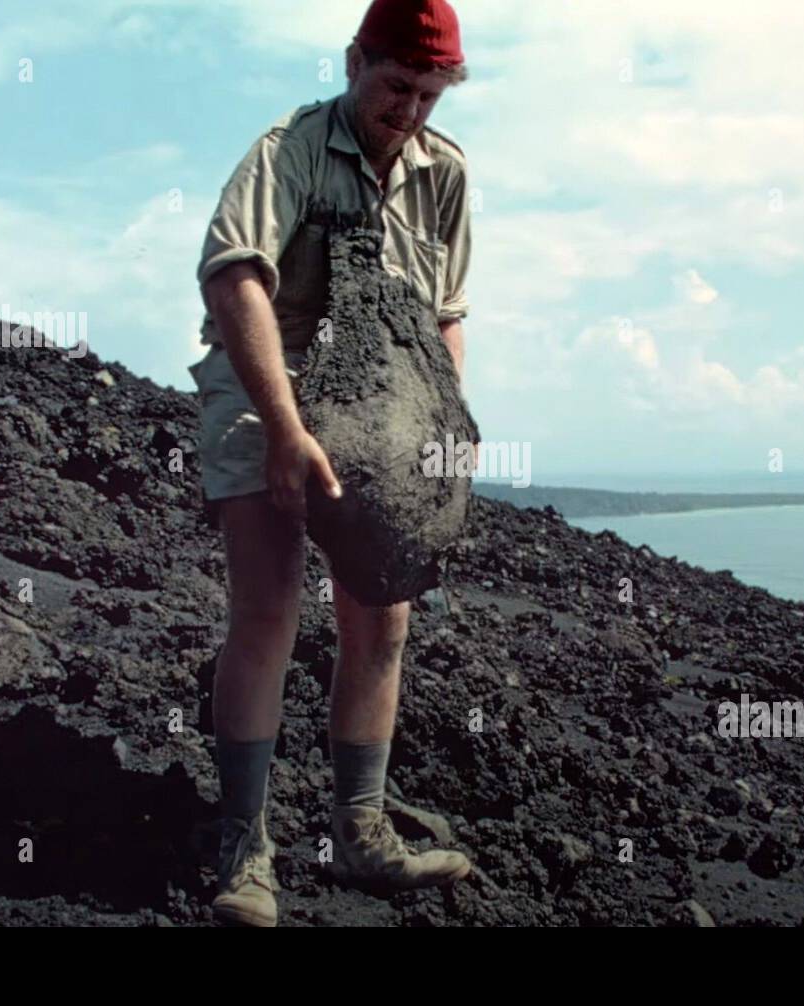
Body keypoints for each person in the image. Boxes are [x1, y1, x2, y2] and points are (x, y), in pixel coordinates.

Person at [187, 0, 474, 927]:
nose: (409, 112)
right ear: (356, 62)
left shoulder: (446, 176)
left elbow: (445, 319)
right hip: (270, 384)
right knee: (268, 613)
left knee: (381, 625)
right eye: (396, 87)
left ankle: (359, 833)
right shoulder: (289, 151)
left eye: (429, 94)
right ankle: (246, 846)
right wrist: (282, 426)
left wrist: (438, 436)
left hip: (383, 410)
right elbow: (234, 275)